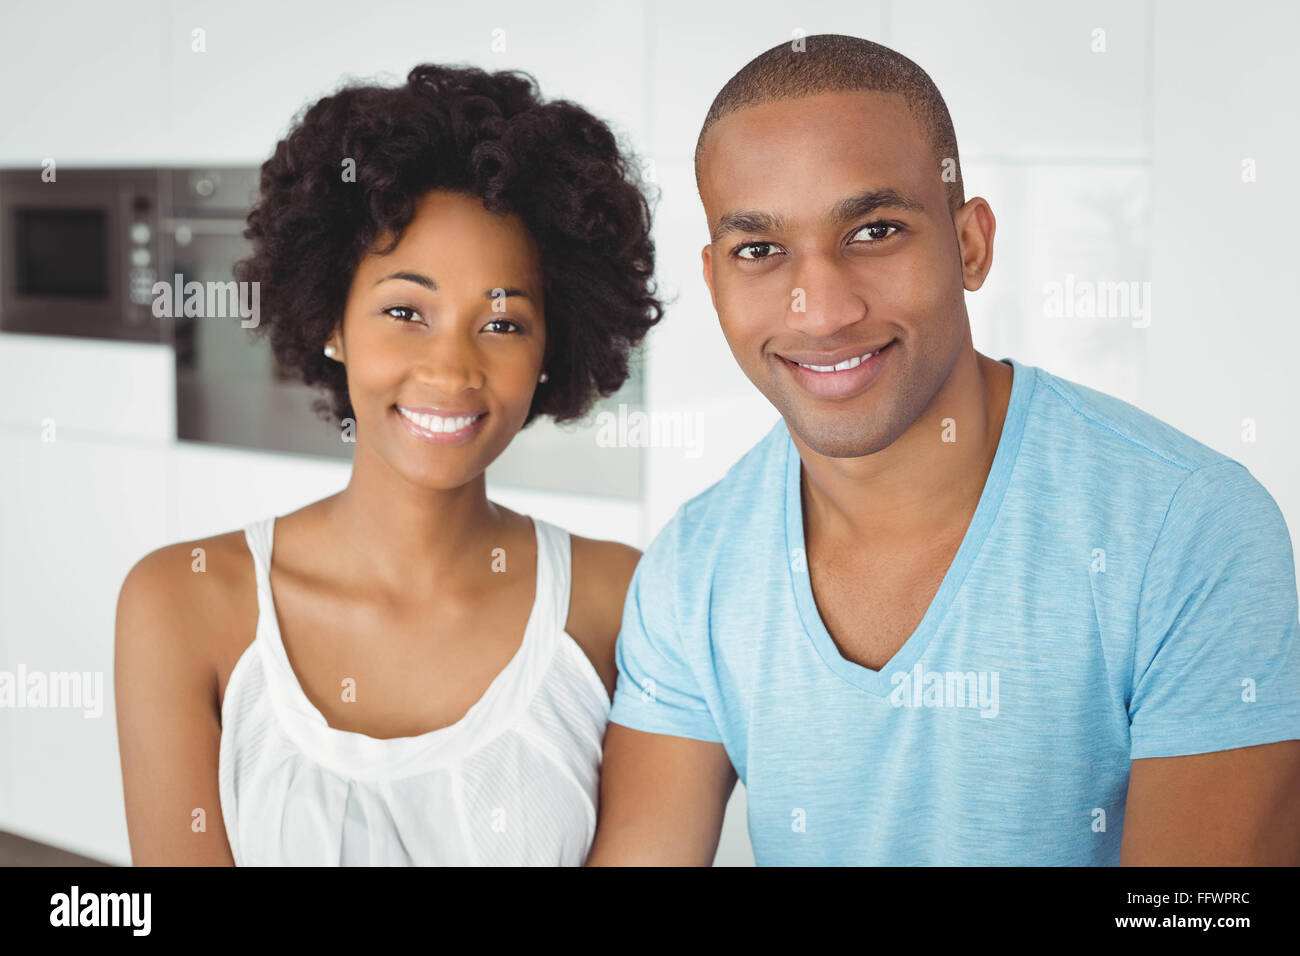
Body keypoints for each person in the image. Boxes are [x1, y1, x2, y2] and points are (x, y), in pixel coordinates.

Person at [585, 34, 1300, 866]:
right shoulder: (691, 571)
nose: (821, 311)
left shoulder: (1189, 527)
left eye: (874, 230)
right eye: (760, 251)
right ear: (713, 281)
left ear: (971, 245)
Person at [115, 63, 662, 865]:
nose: (451, 369)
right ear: (332, 322)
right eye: (405, 311)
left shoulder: (622, 606)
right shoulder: (180, 604)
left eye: (503, 323)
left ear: (553, 347)